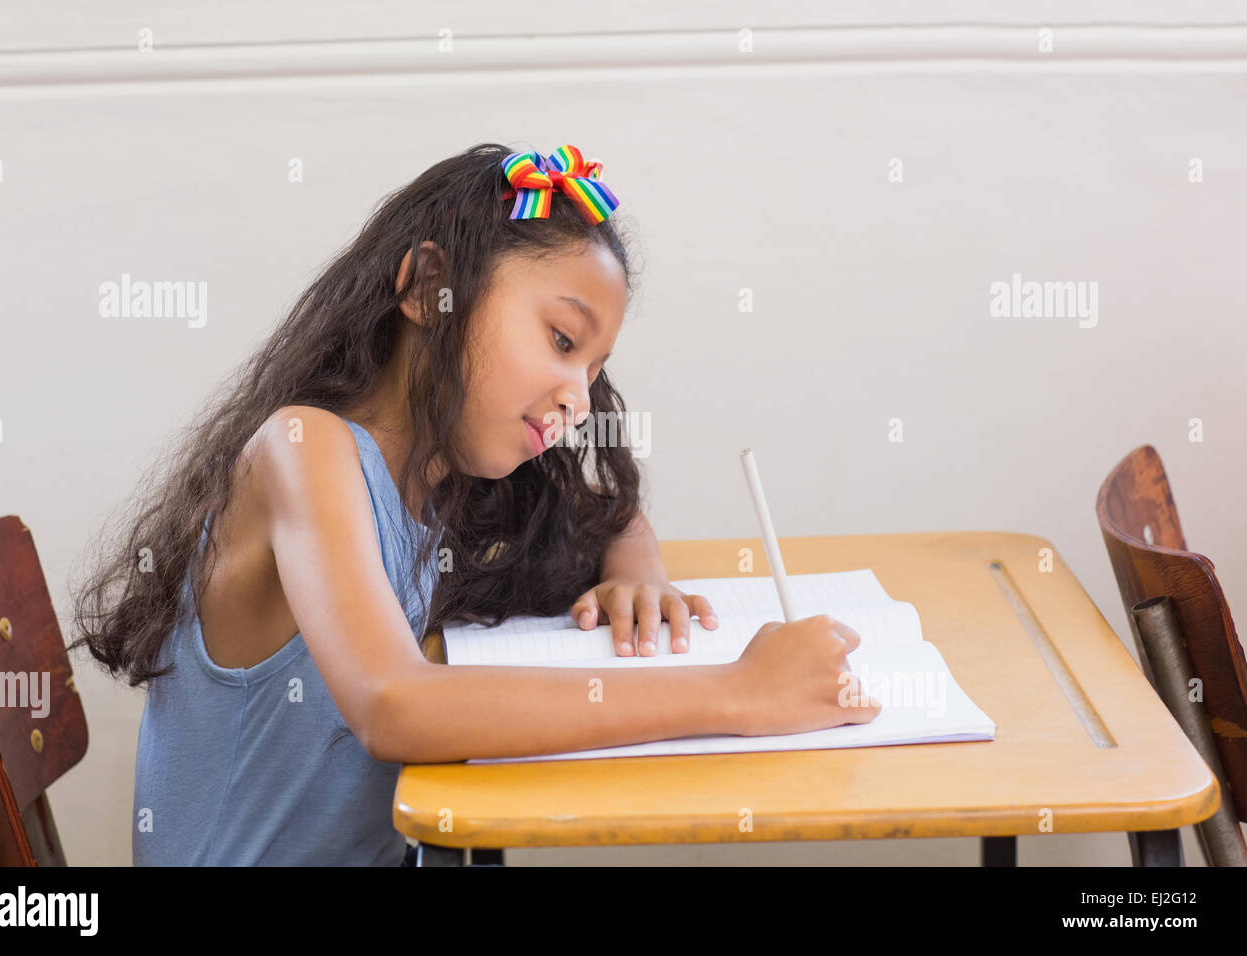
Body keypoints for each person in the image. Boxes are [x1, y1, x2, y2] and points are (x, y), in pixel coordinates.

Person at [69, 142, 880, 866]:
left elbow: (613, 515)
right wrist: (734, 692)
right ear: (428, 289)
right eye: (563, 341)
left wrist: (639, 574)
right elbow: (394, 706)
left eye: (593, 370)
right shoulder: (303, 450)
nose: (577, 396)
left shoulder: (441, 475)